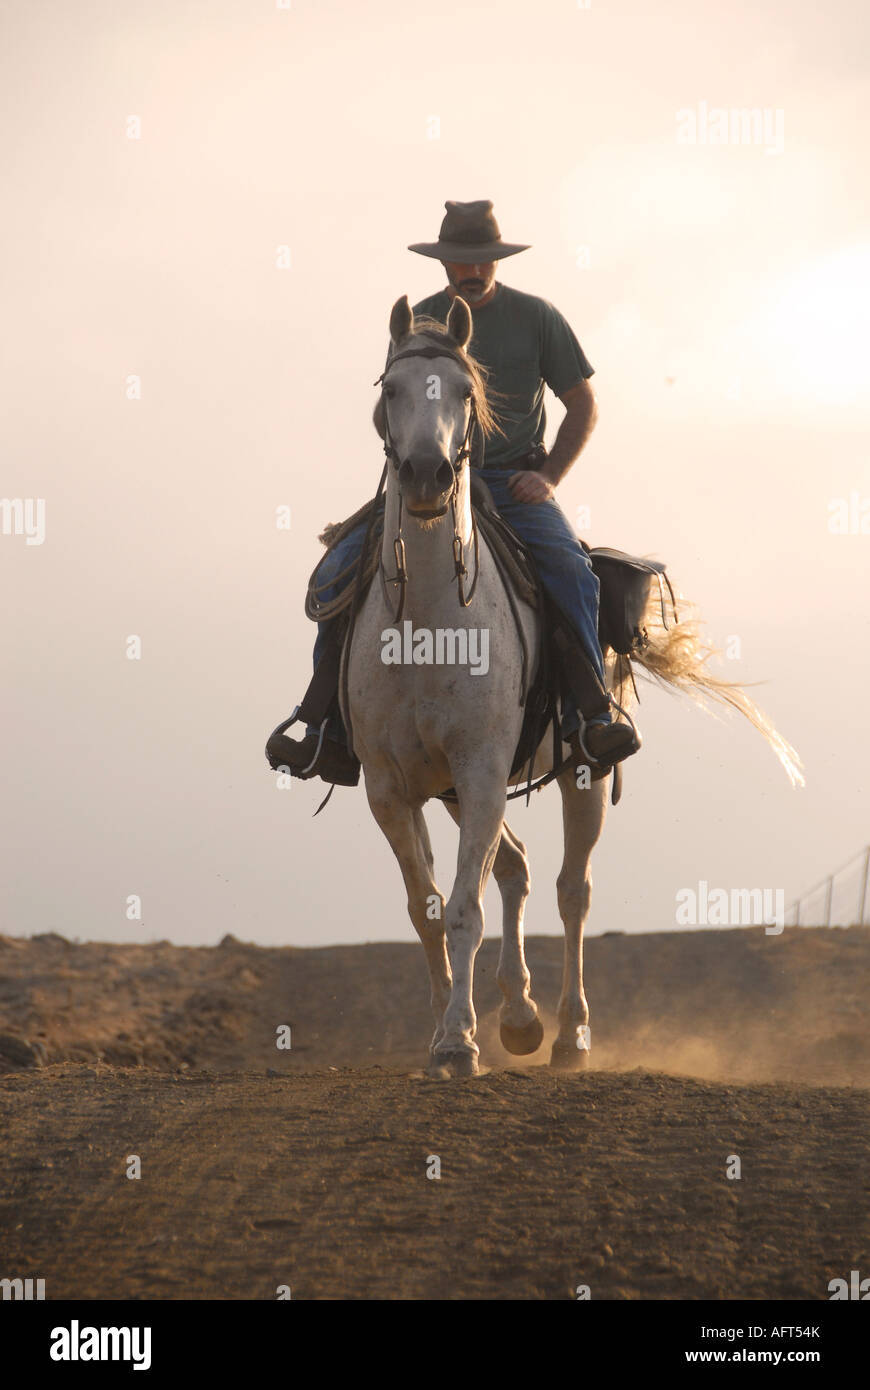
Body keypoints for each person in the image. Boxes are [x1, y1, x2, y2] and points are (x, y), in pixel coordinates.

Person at [268, 200, 640, 785]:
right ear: (444, 263)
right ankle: (325, 728)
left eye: (480, 261)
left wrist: (549, 477)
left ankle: (589, 715)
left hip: (513, 480)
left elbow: (583, 404)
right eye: (459, 262)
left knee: (572, 569)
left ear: (495, 261)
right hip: (426, 477)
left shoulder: (537, 318)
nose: (470, 272)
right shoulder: (417, 322)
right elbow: (390, 403)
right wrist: (406, 455)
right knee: (339, 571)